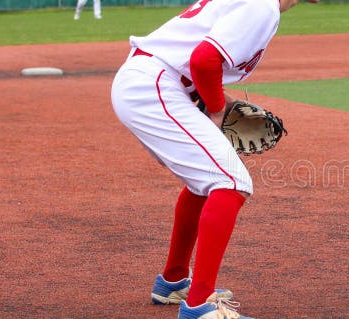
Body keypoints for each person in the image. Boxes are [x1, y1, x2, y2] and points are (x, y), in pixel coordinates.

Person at [110, 0, 316, 317]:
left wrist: (220, 100)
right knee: (231, 182)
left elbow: (197, 59)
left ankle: (174, 280)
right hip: (153, 87)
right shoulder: (263, 6)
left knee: (204, 180)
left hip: (152, 82)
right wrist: (217, 110)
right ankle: (200, 305)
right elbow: (203, 60)